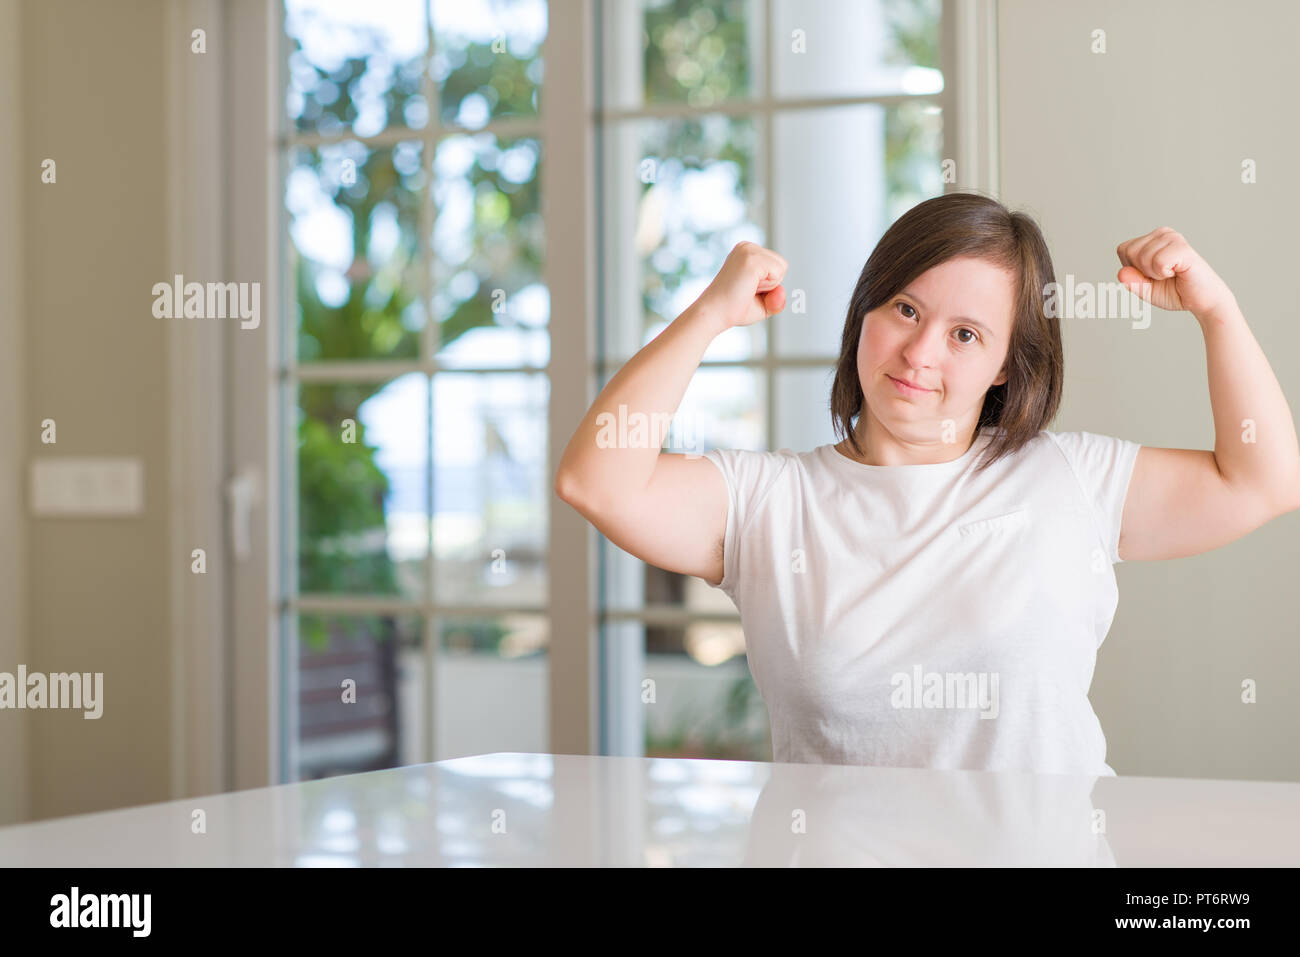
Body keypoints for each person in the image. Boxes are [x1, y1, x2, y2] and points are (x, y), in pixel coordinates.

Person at [554, 191, 1300, 776]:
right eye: (904, 308)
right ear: (864, 316)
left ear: (1007, 363)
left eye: (965, 333)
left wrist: (1215, 310)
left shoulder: (1070, 479)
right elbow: (597, 481)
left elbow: (1265, 479)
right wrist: (711, 313)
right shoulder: (770, 502)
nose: (919, 352)